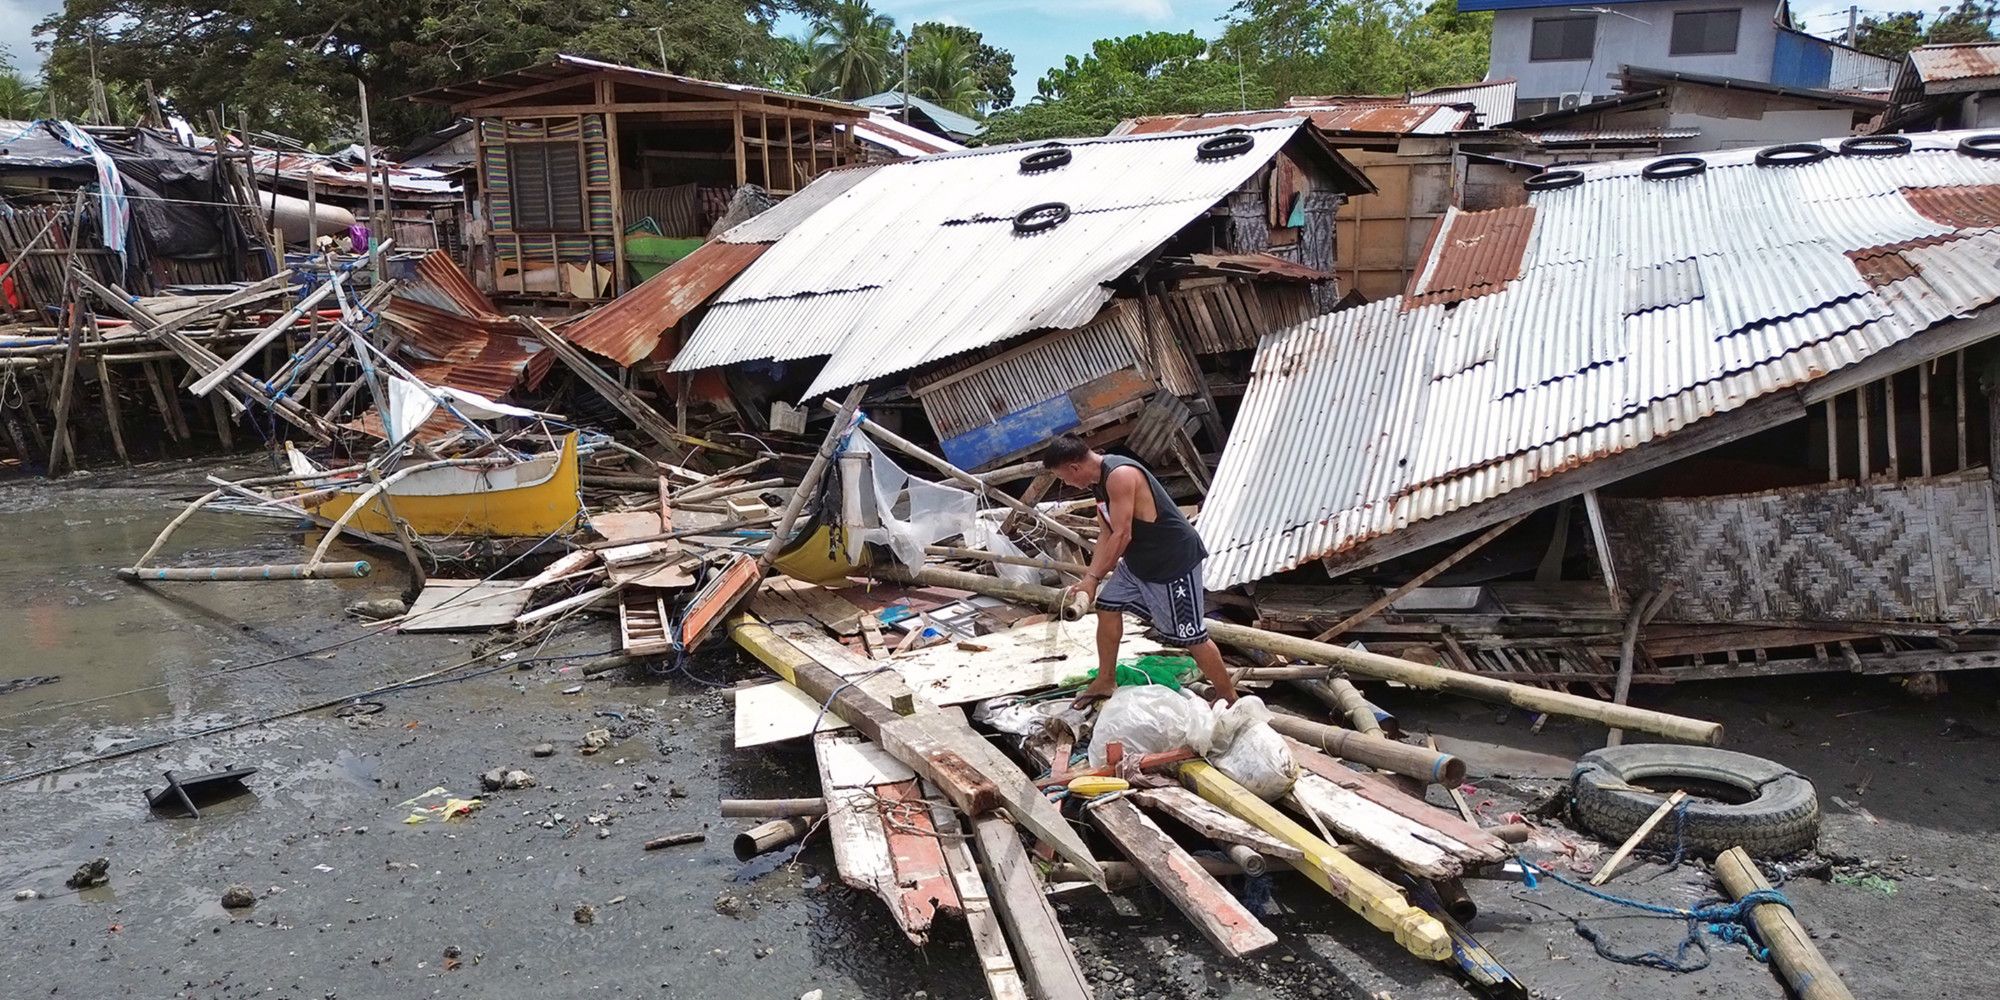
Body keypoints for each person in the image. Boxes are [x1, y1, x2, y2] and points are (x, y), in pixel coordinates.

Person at [1041, 434, 1239, 707]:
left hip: (1173, 562)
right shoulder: (1098, 484)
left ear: (1074, 467)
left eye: (1064, 477)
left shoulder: (1120, 475)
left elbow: (1122, 535)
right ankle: (1106, 679)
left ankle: (1229, 697)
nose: (1066, 484)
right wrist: (1090, 578)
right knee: (1108, 607)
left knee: (1192, 635)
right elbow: (1106, 532)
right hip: (1140, 563)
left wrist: (1094, 578)